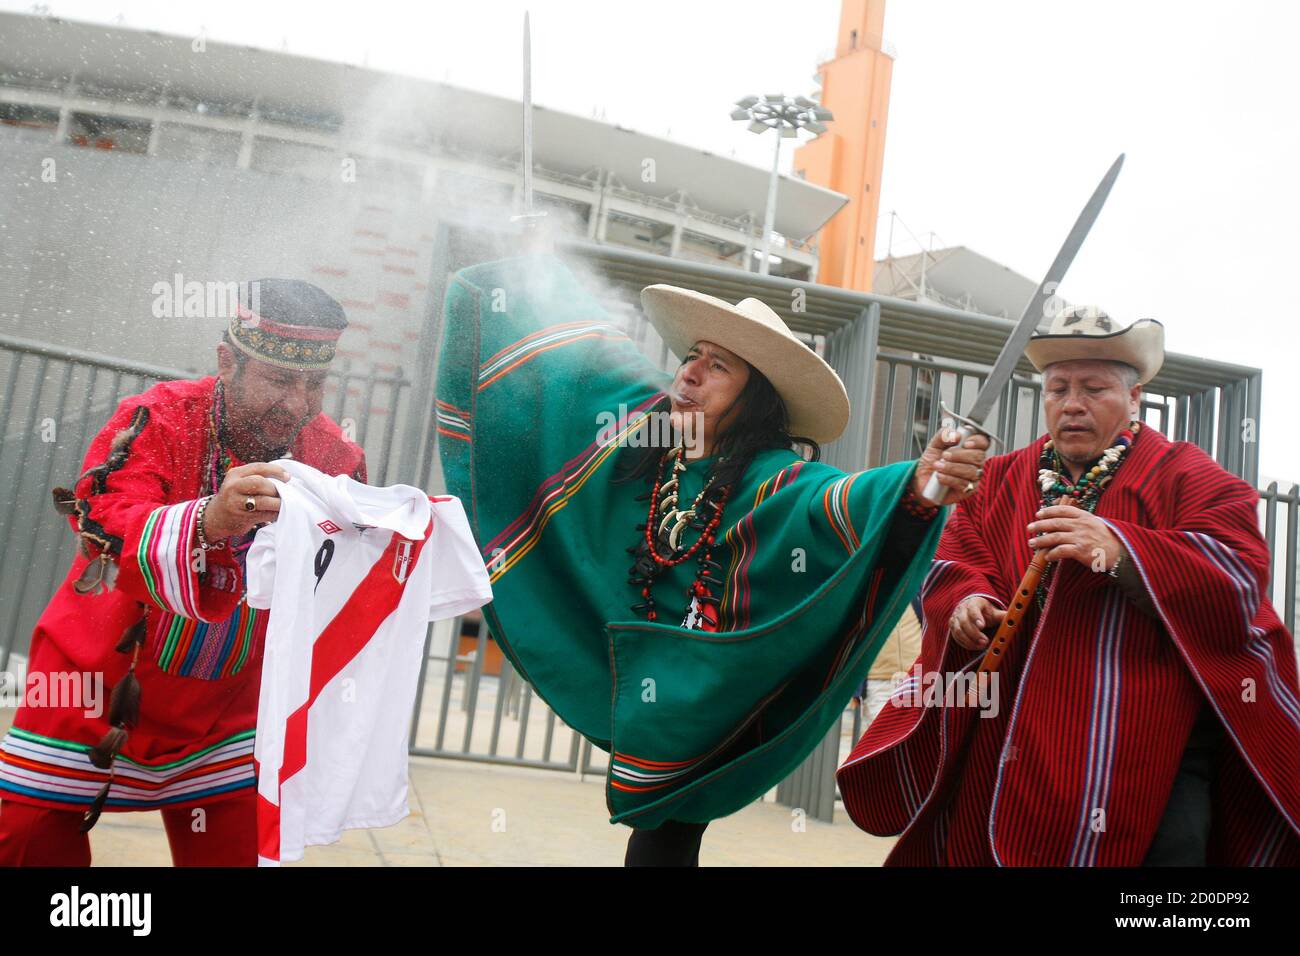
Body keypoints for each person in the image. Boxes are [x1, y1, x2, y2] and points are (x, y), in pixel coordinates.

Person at [434, 255, 989, 865]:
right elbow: (577, 373)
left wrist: (920, 482)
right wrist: (508, 280)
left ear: (755, 399)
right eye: (691, 356)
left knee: (668, 832)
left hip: (710, 693)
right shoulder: (645, 430)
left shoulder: (775, 479)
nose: (691, 373)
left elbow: (838, 500)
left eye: (717, 366)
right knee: (663, 836)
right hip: (638, 668)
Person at [837, 306, 1300, 866]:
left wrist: (1125, 552)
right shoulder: (1001, 479)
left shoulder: (1189, 476)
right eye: (1058, 388)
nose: (1072, 403)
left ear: (1134, 399)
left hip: (1148, 744)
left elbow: (1238, 574)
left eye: (1094, 388)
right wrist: (965, 600)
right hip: (1010, 738)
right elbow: (956, 555)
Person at [0, 279, 365, 866]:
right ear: (227, 361)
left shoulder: (334, 456)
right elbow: (104, 518)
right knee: (26, 846)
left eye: (314, 384)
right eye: (278, 380)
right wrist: (209, 521)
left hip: (229, 705)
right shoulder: (159, 418)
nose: (297, 405)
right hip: (91, 685)